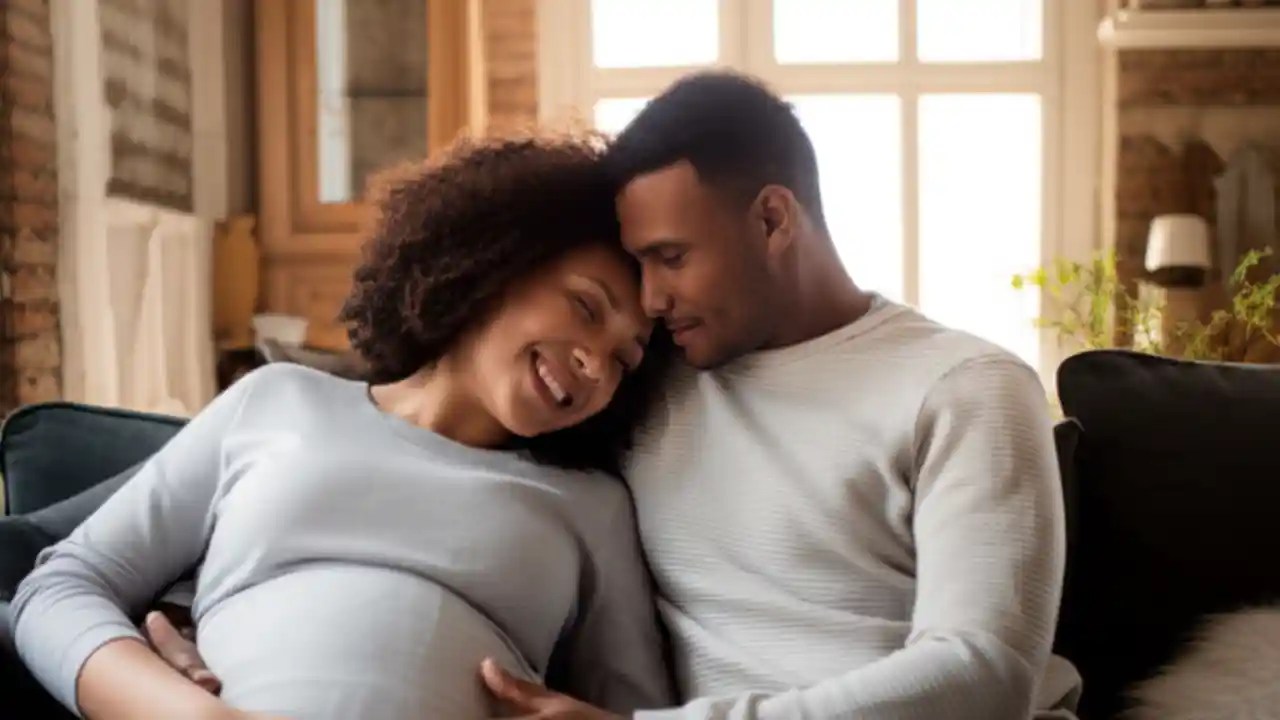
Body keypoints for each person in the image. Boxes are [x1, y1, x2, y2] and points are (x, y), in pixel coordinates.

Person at [478, 72, 1082, 719]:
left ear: (772, 219)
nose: (652, 297)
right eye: (640, 264)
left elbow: (984, 676)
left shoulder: (966, 387)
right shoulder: (640, 382)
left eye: (672, 257)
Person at [10, 134, 676, 720]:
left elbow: (643, 715)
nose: (596, 363)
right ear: (498, 262)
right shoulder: (276, 403)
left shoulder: (591, 505)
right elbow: (58, 588)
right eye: (587, 306)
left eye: (625, 356)